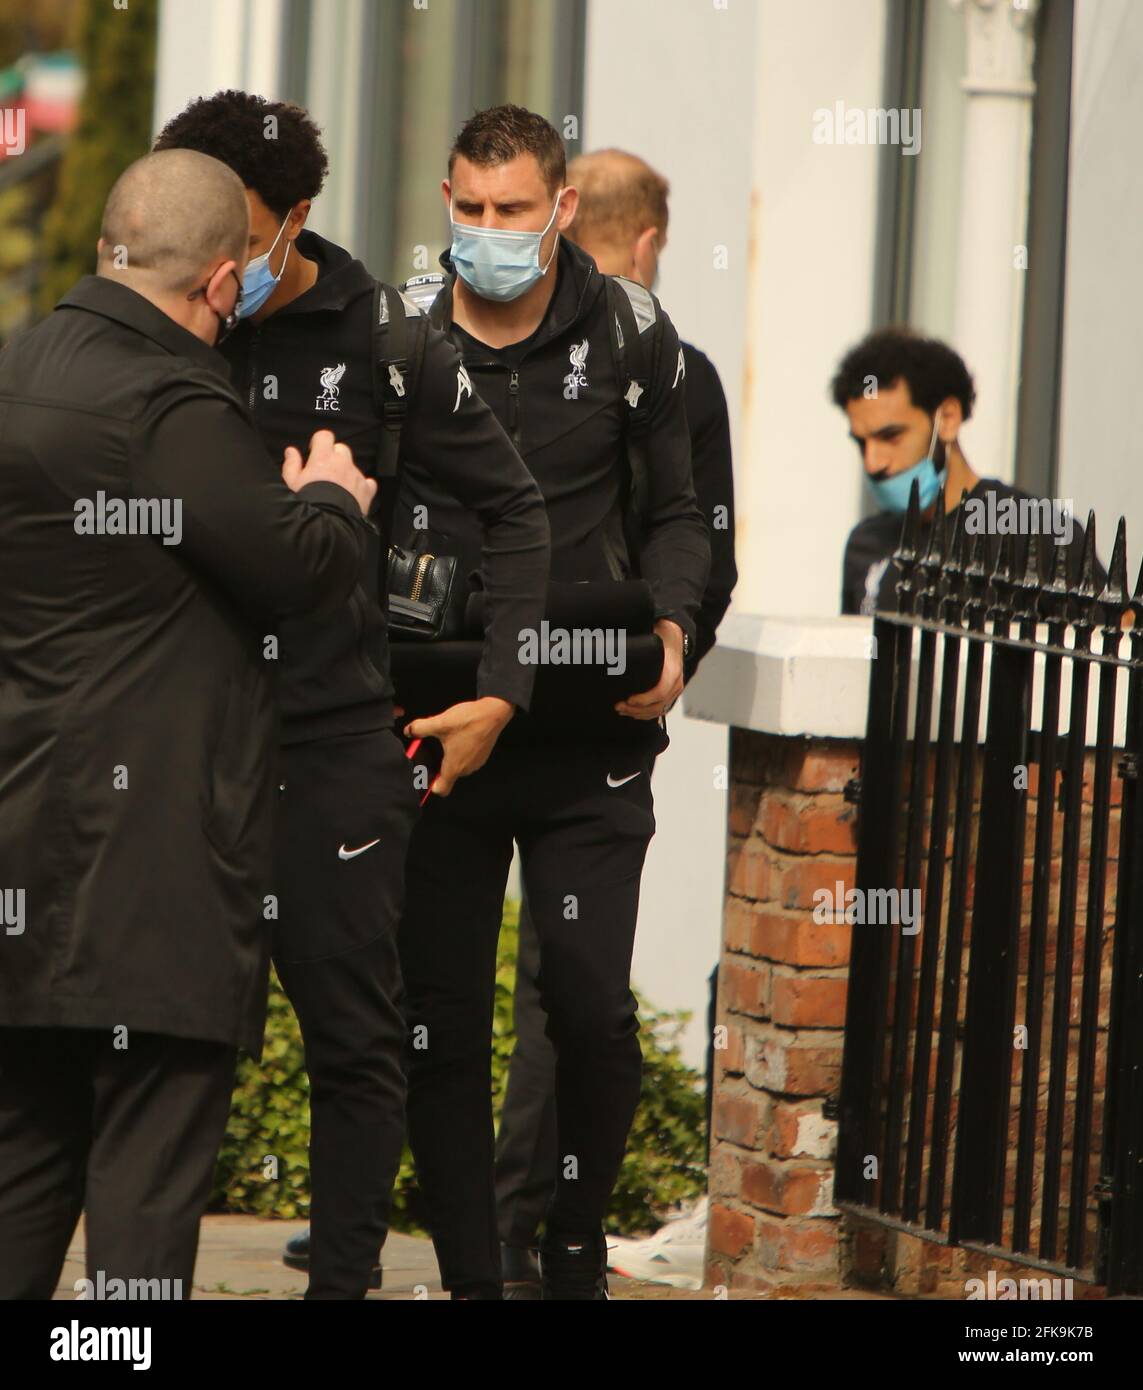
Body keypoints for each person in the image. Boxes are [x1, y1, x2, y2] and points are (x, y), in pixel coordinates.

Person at [153, 92, 550, 1300]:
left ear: (295, 223)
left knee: (357, 1039)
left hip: (330, 742)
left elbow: (520, 513)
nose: (223, 261)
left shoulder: (388, 337)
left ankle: (343, 1284)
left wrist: (503, 694)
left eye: (248, 230)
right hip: (177, 741)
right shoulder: (162, 315)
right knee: (158, 1043)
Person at [0, 149, 375, 1300]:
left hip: (27, 845)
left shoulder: (22, 365)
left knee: (21, 1163)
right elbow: (295, 570)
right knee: (144, 1207)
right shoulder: (169, 399)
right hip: (153, 867)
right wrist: (331, 497)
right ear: (222, 281)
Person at [394, 105, 710, 1300]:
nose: (487, 233)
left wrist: (675, 629)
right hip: (452, 719)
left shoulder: (631, 332)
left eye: (512, 210)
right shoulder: (407, 333)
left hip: (589, 729)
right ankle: (475, 1275)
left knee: (585, 1001)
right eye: (467, 210)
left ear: (562, 208)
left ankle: (573, 1239)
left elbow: (679, 508)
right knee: (441, 1016)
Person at [492, 147, 738, 1297]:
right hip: (577, 719)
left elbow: (695, 538)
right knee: (568, 992)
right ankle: (514, 1231)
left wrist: (666, 647)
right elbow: (707, 548)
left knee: (546, 991)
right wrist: (671, 652)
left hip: (543, 718)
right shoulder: (671, 367)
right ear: (644, 242)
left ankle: (521, 1232)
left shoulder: (645, 366)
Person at [832, 327, 1101, 614]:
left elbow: (1102, 647)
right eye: (862, 443)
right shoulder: (867, 543)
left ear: (947, 419)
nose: (872, 462)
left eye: (891, 436)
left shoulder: (1036, 529)